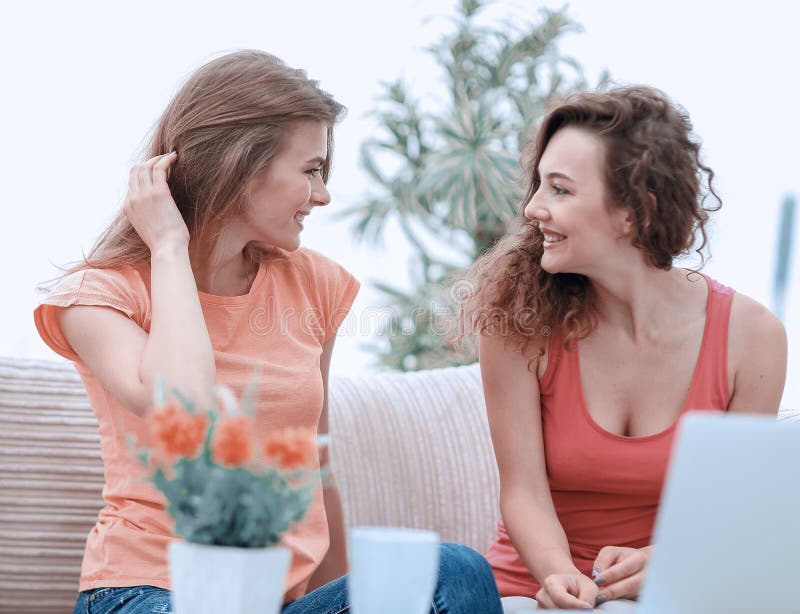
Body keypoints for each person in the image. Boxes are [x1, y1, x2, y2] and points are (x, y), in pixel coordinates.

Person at [34, 50, 503, 614]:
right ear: (238, 165)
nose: (323, 195)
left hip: (273, 602)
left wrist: (350, 599)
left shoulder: (316, 286)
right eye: (311, 169)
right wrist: (169, 246)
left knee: (451, 570)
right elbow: (183, 402)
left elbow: (314, 464)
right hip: (146, 591)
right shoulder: (99, 295)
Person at [457, 86, 787, 612]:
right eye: (539, 184)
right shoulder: (516, 321)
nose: (534, 208)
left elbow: (734, 511)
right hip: (533, 591)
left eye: (561, 190)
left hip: (672, 592)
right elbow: (522, 491)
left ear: (634, 211)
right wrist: (562, 578)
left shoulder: (754, 337)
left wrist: (670, 558)